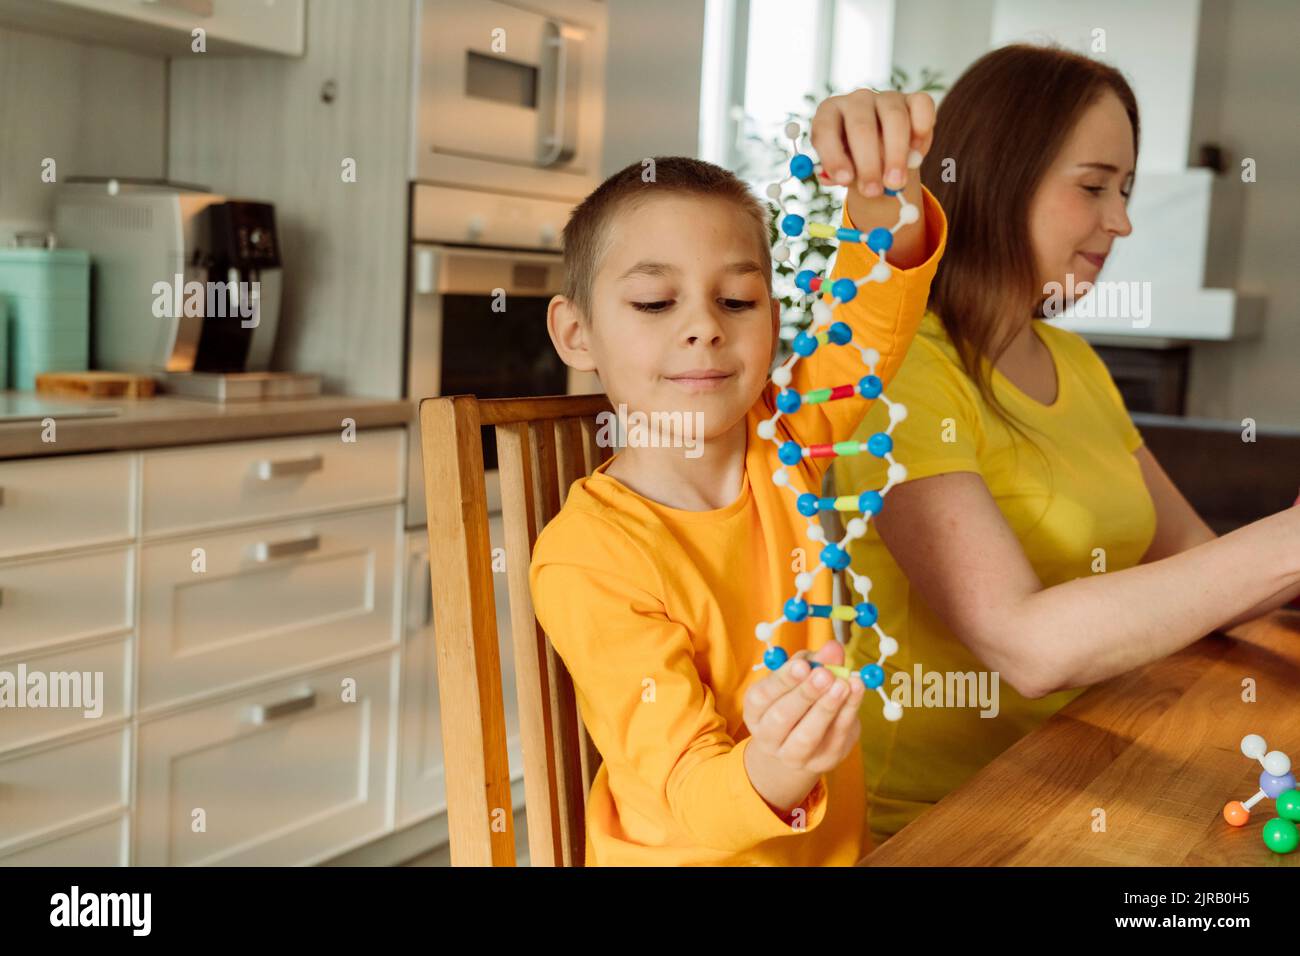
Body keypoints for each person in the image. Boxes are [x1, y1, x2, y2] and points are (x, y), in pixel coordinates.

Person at [831, 43, 1300, 845]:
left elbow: (1190, 555)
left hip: (1085, 766)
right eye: (1092, 187)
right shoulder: (899, 370)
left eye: (1123, 190)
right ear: (994, 175)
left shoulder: (1077, 363)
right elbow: (1024, 645)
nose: (1119, 220)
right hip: (942, 826)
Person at [528, 90, 949, 864]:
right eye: (655, 301)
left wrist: (884, 188)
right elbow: (688, 795)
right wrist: (781, 761)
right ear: (576, 332)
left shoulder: (787, 432)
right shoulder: (589, 556)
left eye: (738, 298)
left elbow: (875, 319)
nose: (705, 325)